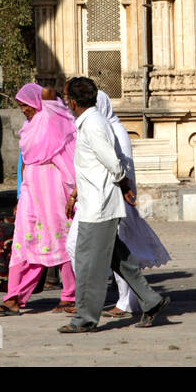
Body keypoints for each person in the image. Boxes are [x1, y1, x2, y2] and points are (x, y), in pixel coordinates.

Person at [59, 77, 170, 333]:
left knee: (89, 264)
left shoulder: (94, 125)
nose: (66, 103)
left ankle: (84, 319)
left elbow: (113, 162)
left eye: (67, 98)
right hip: (95, 202)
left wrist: (125, 187)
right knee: (119, 259)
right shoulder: (89, 123)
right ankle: (151, 302)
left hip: (99, 206)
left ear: (74, 102)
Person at [0, 84, 77, 316]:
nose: (24, 110)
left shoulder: (51, 118)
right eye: (20, 107)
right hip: (31, 189)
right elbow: (25, 164)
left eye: (26, 104)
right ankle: (14, 298)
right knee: (24, 242)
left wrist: (57, 90)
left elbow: (47, 91)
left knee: (61, 240)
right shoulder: (28, 127)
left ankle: (70, 296)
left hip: (52, 188)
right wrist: (21, 195)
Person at [96, 90, 171, 317]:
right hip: (106, 200)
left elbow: (121, 168)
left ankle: (126, 301)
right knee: (117, 252)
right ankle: (129, 300)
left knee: (121, 251)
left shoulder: (116, 131)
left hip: (117, 200)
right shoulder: (103, 128)